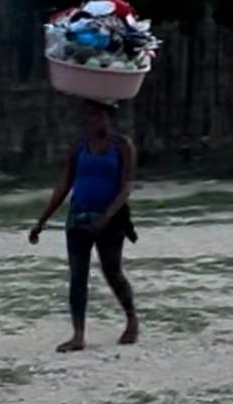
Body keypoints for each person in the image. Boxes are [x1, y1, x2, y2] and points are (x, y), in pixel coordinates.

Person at [29, 99, 139, 352]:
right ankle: (78, 335)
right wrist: (42, 221)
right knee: (78, 276)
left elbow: (126, 187)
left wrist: (107, 216)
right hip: (78, 218)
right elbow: (64, 185)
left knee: (112, 271)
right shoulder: (79, 146)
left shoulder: (122, 146)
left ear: (107, 118)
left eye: (97, 117)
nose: (92, 122)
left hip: (111, 221)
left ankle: (131, 318)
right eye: (87, 118)